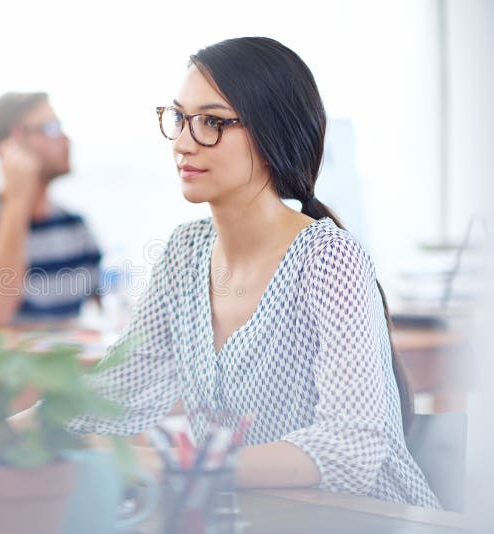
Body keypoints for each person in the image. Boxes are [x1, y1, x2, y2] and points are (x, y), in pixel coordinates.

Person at [65, 37, 440, 508]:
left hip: (366, 521)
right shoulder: (185, 253)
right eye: (180, 118)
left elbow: (352, 449)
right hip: (252, 518)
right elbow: (110, 399)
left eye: (212, 122)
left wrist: (169, 462)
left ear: (271, 134)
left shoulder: (328, 258)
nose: (183, 142)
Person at [0, 92, 101, 327]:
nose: (65, 139)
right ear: (13, 143)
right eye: (51, 128)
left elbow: (110, 311)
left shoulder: (76, 226)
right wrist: (17, 201)